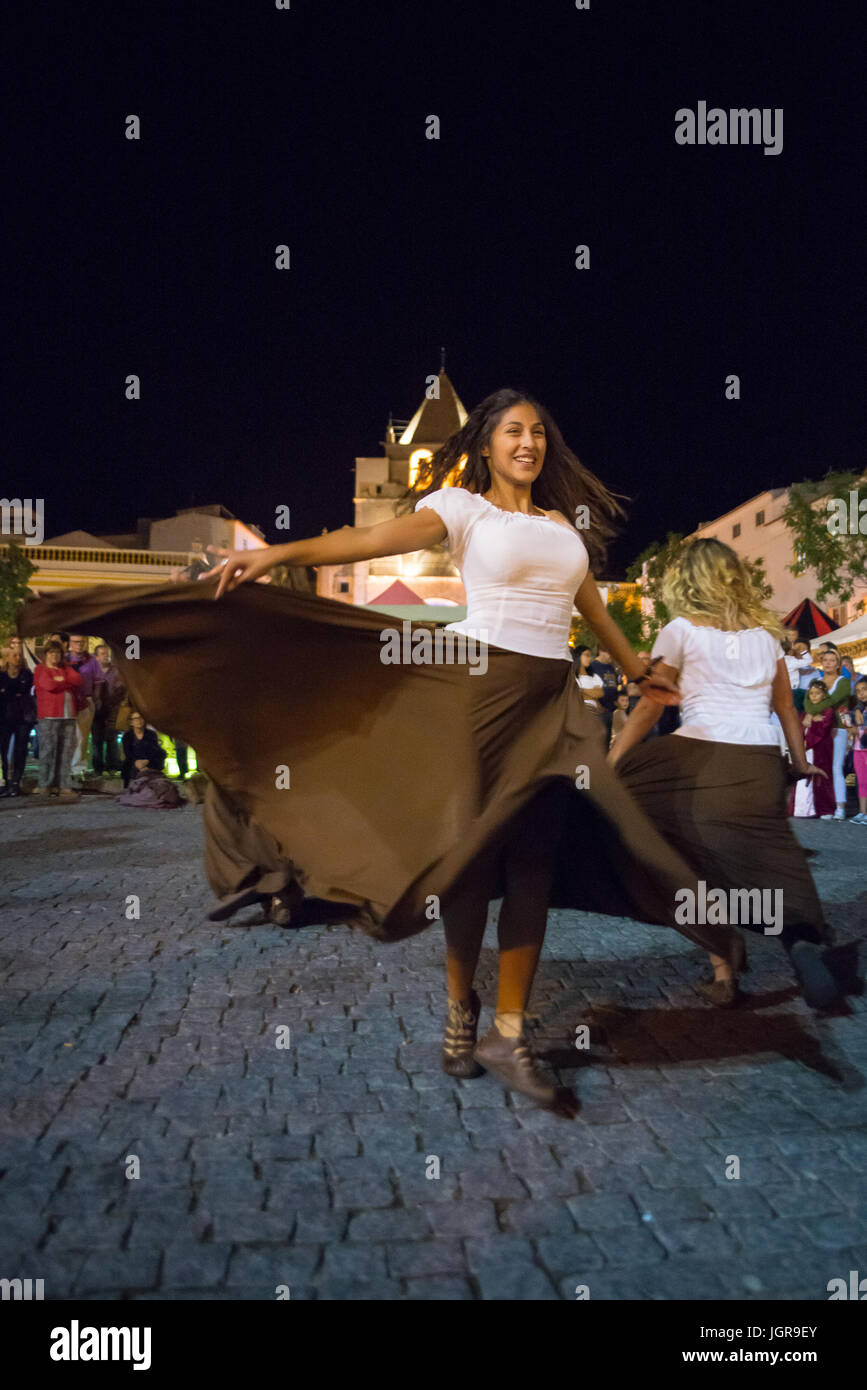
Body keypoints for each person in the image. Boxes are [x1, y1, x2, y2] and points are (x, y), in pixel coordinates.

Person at [18, 387, 745, 1114]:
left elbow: (585, 599)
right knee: (471, 858)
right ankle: (462, 1010)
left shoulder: (560, 525)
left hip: (551, 701)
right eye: (512, 431)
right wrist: (282, 553)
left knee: (532, 865)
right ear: (486, 444)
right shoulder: (463, 508)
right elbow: (371, 542)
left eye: (537, 433)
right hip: (482, 694)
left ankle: (508, 1031)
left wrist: (630, 659)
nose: (527, 443)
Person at [610, 538, 843, 1012]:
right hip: (759, 761)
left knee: (694, 864)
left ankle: (723, 971)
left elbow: (650, 708)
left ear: (687, 581)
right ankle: (799, 941)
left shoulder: (678, 631)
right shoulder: (766, 636)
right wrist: (797, 762)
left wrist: (611, 764)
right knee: (770, 857)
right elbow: (786, 708)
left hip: (698, 759)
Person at [32, 641, 83, 800]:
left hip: (68, 716)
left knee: (66, 752)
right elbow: (49, 685)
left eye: (58, 653)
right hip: (49, 716)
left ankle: (64, 785)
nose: (55, 656)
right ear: (45, 654)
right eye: (51, 652)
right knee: (48, 751)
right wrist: (65, 682)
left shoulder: (65, 668)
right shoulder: (40, 669)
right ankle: (45, 785)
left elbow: (78, 680)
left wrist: (61, 679)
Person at [806, 648, 852, 821]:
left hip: (837, 727)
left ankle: (840, 806)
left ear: (838, 664)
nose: (828, 663)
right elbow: (808, 701)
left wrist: (812, 712)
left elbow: (832, 702)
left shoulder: (843, 682)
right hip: (818, 729)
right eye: (825, 660)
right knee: (821, 767)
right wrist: (811, 713)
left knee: (836, 767)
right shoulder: (816, 680)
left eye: (832, 660)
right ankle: (823, 805)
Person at [788, 680, 836, 818]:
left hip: (820, 751)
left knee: (820, 778)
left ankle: (823, 808)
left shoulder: (828, 711)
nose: (814, 696)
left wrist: (808, 739)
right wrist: (807, 722)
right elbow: (799, 728)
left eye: (818, 693)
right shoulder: (804, 712)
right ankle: (801, 809)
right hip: (805, 750)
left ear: (824, 695)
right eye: (812, 694)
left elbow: (822, 730)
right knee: (803, 777)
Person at [0, 636, 37, 797]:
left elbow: (27, 693)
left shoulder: (26, 674)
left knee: (20, 749)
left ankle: (16, 781)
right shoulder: (1, 676)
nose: (18, 657)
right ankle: (6, 781)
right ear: (7, 658)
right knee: (4, 749)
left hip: (23, 717)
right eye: (14, 655)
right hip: (4, 717)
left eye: (19, 655)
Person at [66, 634, 104, 779]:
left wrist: (94, 699)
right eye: (76, 642)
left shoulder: (92, 661)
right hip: (67, 700)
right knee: (69, 735)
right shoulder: (65, 659)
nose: (79, 645)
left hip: (85, 701)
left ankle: (78, 768)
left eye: (82, 642)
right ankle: (67, 766)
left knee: (82, 736)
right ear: (70, 643)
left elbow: (99, 681)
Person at [90, 643, 125, 775]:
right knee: (96, 739)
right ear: (96, 657)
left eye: (107, 654)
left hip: (112, 707)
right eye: (103, 654)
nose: (106, 657)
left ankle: (112, 765)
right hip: (96, 708)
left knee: (112, 736)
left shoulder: (116, 671)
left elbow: (121, 689)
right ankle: (98, 767)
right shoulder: (93, 671)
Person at [120, 711, 167, 787]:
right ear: (131, 722)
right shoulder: (127, 736)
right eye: (135, 719)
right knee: (128, 766)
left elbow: (153, 750)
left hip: (148, 759)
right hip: (134, 760)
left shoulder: (151, 734)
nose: (139, 721)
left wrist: (146, 761)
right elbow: (128, 752)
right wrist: (137, 763)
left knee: (159, 756)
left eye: (140, 718)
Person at [849, 677, 867, 824]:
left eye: (865, 689)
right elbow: (853, 728)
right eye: (858, 691)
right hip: (858, 749)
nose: (861, 693)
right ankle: (862, 813)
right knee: (861, 782)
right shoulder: (858, 709)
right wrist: (852, 729)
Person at [572, 645, 604, 710]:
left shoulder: (594, 676)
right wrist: (593, 695)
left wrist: (582, 690)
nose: (590, 658)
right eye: (587, 655)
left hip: (594, 712)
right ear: (578, 656)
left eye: (590, 656)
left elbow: (600, 693)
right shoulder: (572, 676)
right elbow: (575, 697)